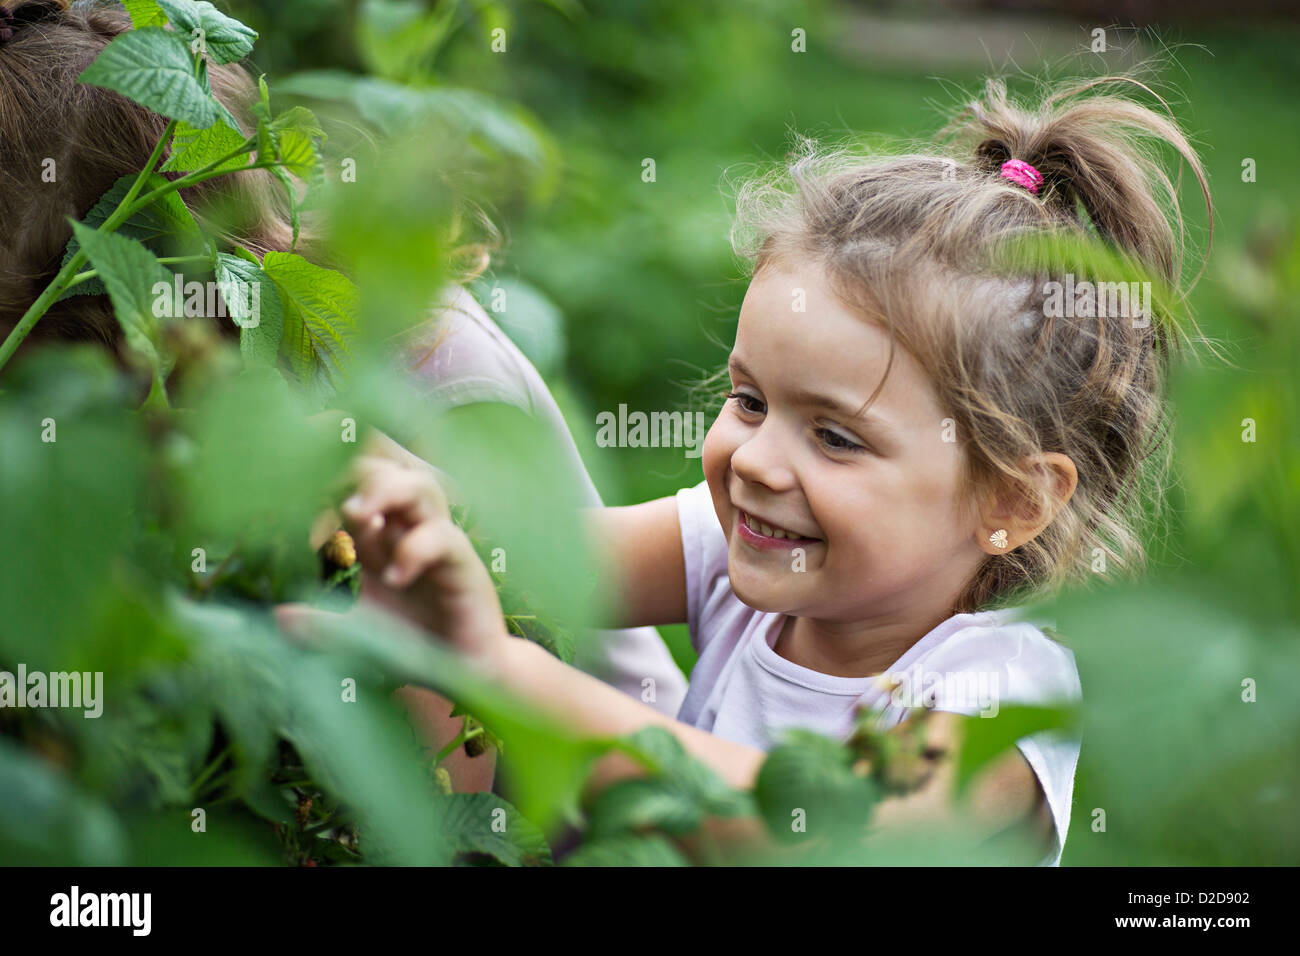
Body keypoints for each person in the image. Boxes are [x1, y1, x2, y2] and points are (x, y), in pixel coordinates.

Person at [304, 74, 1214, 866]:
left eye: (837, 438)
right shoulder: (750, 551)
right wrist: (352, 468)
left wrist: (499, 670)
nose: (756, 461)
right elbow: (528, 558)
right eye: (749, 401)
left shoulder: (1000, 694)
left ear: (1012, 498)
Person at [0, 0, 685, 791]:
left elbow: (449, 764)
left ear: (124, 326)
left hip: (600, 790)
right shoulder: (193, 392)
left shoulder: (421, 376)